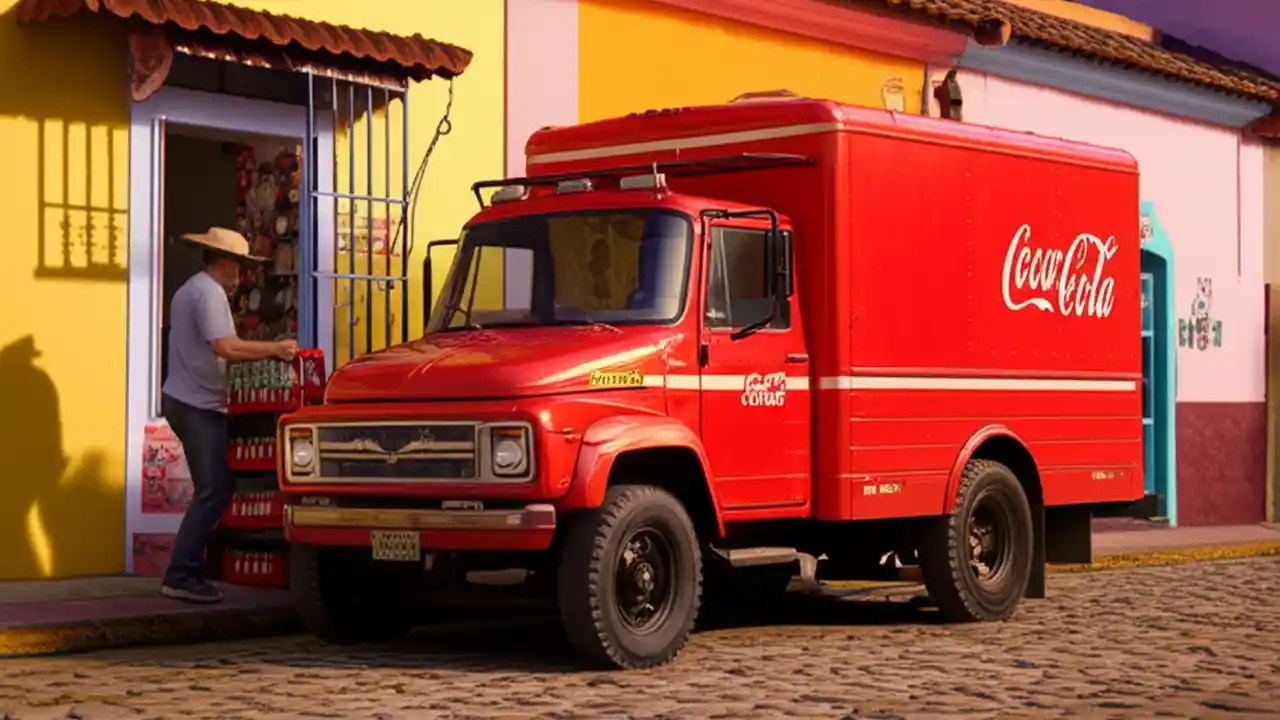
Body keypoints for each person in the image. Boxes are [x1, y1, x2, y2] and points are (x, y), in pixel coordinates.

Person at [160, 227, 298, 603]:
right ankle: (181, 574)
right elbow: (226, 347)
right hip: (196, 404)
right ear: (225, 262)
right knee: (213, 491)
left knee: (215, 489)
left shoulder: (193, 289)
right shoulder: (208, 292)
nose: (242, 274)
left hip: (189, 400)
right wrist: (275, 350)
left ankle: (193, 569)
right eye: (239, 265)